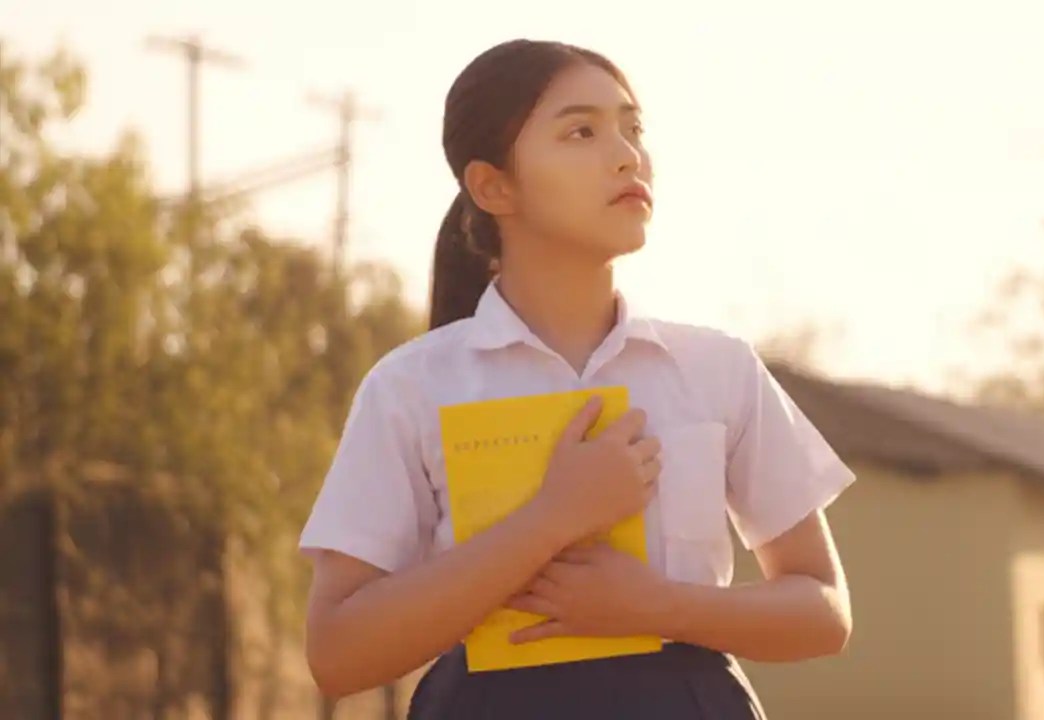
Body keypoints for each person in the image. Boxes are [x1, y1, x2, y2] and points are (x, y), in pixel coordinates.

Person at [298, 38, 856, 719]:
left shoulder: (717, 368)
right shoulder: (411, 387)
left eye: (633, 128)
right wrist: (550, 520)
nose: (627, 155)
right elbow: (336, 653)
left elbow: (824, 610)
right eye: (582, 131)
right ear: (493, 186)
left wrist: (656, 606)